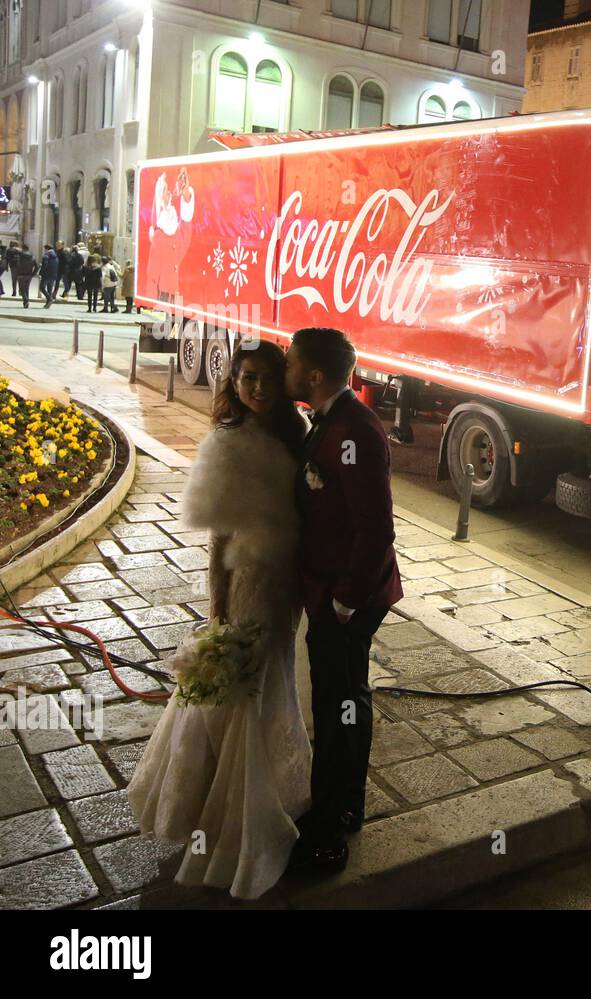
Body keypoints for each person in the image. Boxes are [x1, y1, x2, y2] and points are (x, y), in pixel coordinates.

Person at [128, 340, 311, 900]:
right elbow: (218, 538)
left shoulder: (297, 432)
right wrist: (217, 604)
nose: (258, 388)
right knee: (243, 688)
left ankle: (274, 786)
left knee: (279, 679)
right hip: (251, 579)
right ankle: (228, 805)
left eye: (267, 378)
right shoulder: (229, 439)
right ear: (233, 381)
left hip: (292, 581)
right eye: (247, 378)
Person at [284, 328, 403, 875]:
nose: (285, 372)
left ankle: (330, 827)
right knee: (342, 702)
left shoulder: (353, 429)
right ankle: (343, 804)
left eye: (290, 364)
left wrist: (344, 604)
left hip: (348, 594)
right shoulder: (332, 419)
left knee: (339, 711)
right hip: (334, 589)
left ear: (313, 375)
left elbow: (376, 528)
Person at [13, 244, 36, 308]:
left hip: (21, 274)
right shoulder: (32, 256)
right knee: (26, 289)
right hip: (29, 275)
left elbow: (17, 264)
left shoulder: (20, 255)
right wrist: (33, 273)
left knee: (22, 289)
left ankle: (26, 300)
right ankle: (25, 302)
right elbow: (37, 266)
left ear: (22, 248)